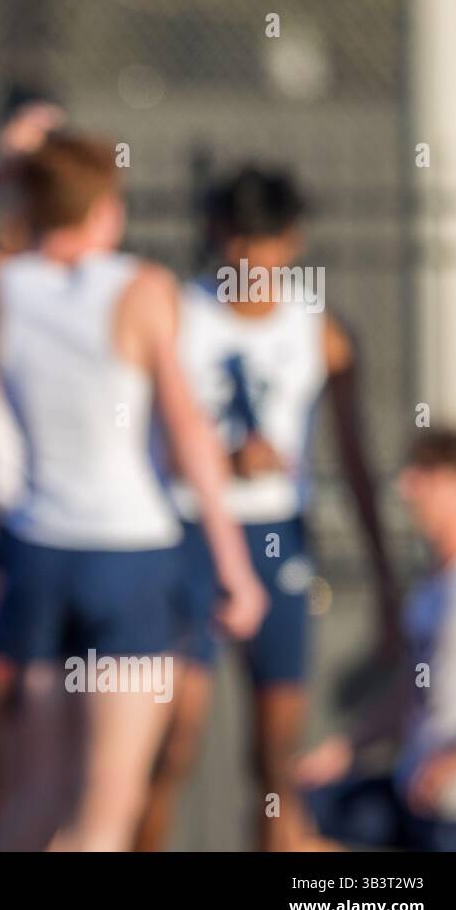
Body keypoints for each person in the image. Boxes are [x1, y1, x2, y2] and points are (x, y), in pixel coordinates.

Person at [0, 131, 266, 851]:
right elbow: (189, 438)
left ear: (32, 200)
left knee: (32, 798)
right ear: (107, 208)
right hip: (128, 559)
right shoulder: (143, 288)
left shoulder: (8, 284)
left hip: (39, 556)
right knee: (105, 810)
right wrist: (234, 568)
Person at [137, 167, 400, 852]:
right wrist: (219, 464)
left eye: (265, 242)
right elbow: (131, 435)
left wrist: (387, 582)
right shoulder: (174, 311)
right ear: (216, 237)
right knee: (170, 743)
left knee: (277, 757)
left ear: (292, 241)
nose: (249, 259)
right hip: (188, 530)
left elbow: (356, 461)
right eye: (236, 240)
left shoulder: (322, 330)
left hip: (278, 535)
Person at [296, 429, 456, 851]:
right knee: (301, 807)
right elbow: (414, 687)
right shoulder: (431, 585)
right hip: (414, 789)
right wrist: (342, 750)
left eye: (427, 472)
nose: (408, 487)